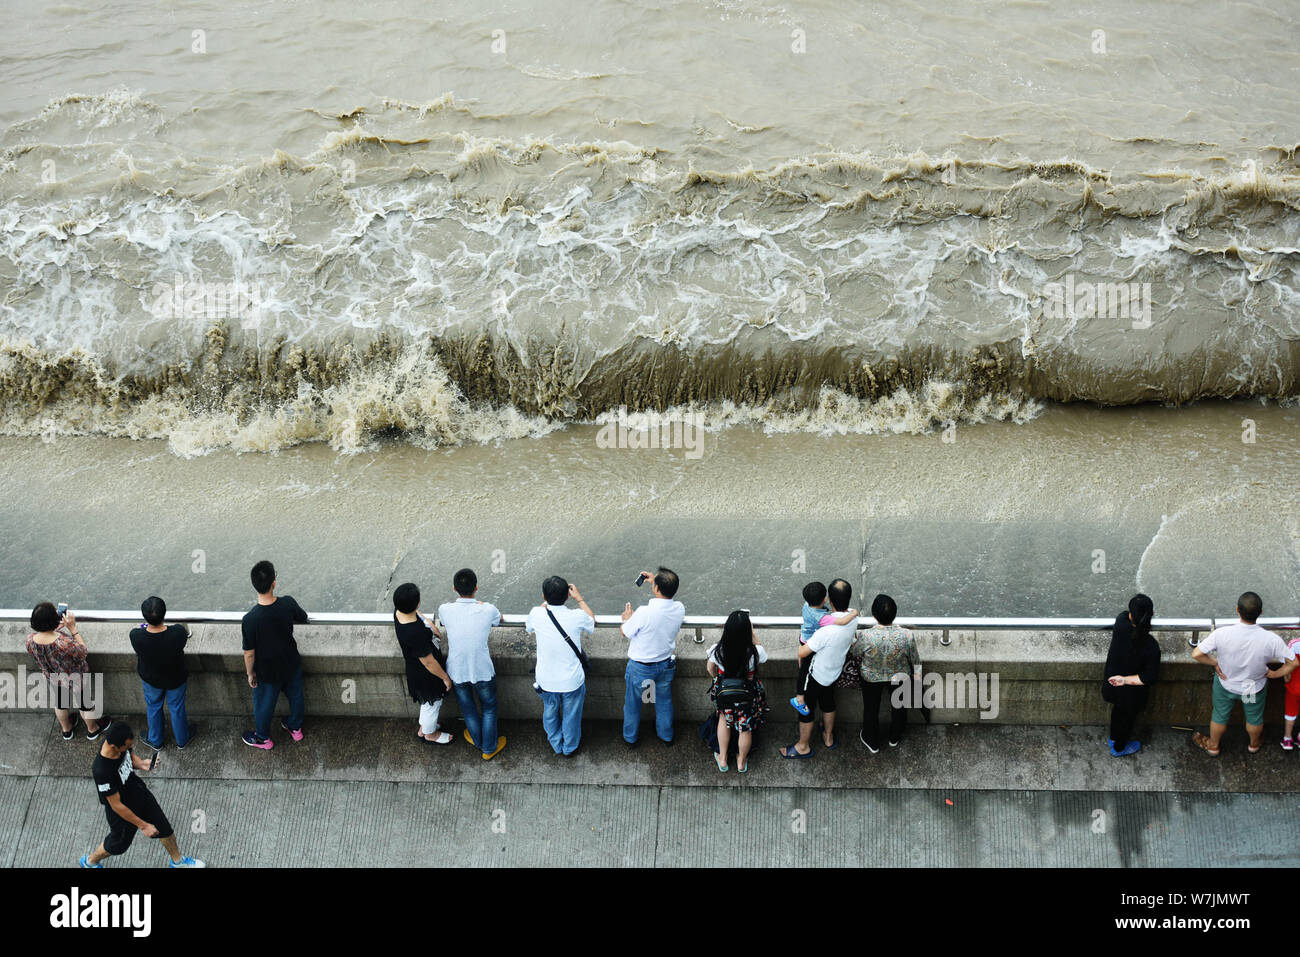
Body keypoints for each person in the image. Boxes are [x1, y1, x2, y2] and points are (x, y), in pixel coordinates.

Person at [79, 722, 204, 868]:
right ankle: (91, 862)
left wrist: (142, 764)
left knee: (164, 828)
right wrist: (143, 826)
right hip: (122, 812)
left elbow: (130, 756)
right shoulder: (102, 771)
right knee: (119, 845)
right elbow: (116, 805)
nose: (129, 747)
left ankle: (178, 862)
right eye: (126, 746)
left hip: (139, 793)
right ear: (114, 747)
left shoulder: (121, 742)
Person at [1191, 591, 1297, 756]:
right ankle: (1254, 745)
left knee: (1219, 715)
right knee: (1254, 718)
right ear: (1260, 613)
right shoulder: (1270, 639)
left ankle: (1213, 746)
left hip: (1226, 682)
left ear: (1237, 610)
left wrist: (1215, 662)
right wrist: (1275, 674)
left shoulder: (1222, 633)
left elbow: (1196, 654)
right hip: (1251, 686)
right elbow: (1293, 662)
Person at [781, 578, 859, 758]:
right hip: (834, 671)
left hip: (816, 674)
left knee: (806, 708)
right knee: (828, 702)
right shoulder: (853, 620)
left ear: (829, 600)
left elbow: (802, 652)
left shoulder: (824, 631)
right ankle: (828, 737)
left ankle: (803, 746)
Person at [240, 560, 309, 750]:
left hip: (267, 670)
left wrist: (250, 673)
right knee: (296, 696)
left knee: (264, 705)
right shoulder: (287, 603)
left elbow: (249, 653)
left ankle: (263, 738)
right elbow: (303, 617)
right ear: (274, 583)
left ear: (254, 585)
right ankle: (295, 728)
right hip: (290, 662)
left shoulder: (250, 620)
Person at [439, 568, 506, 760]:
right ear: (476, 588)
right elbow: (498, 619)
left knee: (468, 708)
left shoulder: (445, 609)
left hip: (457, 670)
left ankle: (477, 741)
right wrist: (481, 604)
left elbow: (444, 620)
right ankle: (489, 747)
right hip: (482, 670)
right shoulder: (488, 609)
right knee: (489, 707)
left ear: (454, 588)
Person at [525, 576, 596, 756]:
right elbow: (592, 621)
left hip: (546, 680)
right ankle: (569, 748)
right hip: (572, 680)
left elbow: (529, 627)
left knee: (550, 712)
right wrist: (579, 598)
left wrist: (546, 603)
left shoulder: (536, 613)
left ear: (543, 596)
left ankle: (556, 744)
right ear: (567, 596)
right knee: (571, 716)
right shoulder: (577, 616)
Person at [26, 602, 111, 741]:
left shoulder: (30, 640)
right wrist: (73, 629)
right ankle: (92, 729)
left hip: (53, 677)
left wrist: (55, 629)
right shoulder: (64, 642)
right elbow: (82, 652)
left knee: (60, 703)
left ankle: (67, 730)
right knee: (84, 705)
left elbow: (46, 644)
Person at [620, 567, 686, 746]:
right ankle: (666, 736)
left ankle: (630, 738)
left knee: (633, 704)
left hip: (641, 668)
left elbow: (624, 632)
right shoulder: (679, 608)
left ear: (656, 589)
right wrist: (656, 581)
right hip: (664, 665)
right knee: (663, 702)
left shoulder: (643, 612)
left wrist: (627, 619)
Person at [852, 594, 921, 753]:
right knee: (899, 707)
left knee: (870, 708)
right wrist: (917, 677)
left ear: (875, 615)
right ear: (895, 614)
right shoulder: (907, 635)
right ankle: (894, 736)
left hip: (871, 676)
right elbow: (915, 660)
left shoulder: (866, 636)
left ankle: (871, 740)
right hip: (899, 675)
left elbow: (855, 652)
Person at [706, 609, 770, 773]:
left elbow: (710, 669)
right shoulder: (755, 652)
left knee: (723, 720)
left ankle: (723, 758)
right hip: (747, 695)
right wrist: (753, 635)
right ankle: (741, 761)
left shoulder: (717, 649)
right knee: (745, 727)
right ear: (747, 631)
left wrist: (717, 680)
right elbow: (763, 656)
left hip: (725, 693)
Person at [129, 596, 194, 751]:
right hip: (175, 678)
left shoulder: (136, 636)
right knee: (177, 708)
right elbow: (181, 636)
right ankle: (182, 739)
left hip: (151, 679)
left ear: (144, 617)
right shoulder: (178, 632)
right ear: (164, 613)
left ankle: (156, 740)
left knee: (153, 707)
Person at [393, 582, 454, 745]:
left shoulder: (399, 613)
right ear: (417, 603)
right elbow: (428, 662)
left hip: (414, 670)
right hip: (426, 676)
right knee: (432, 703)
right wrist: (445, 677)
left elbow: (417, 615)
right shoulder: (415, 633)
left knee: (427, 704)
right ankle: (430, 733)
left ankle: (425, 726)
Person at [1102, 594, 1160, 757]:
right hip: (1132, 693)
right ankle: (1119, 748)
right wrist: (1125, 680)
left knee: (1117, 713)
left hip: (1112, 685)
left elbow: (1124, 614)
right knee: (1126, 721)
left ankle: (1113, 739)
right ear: (1151, 614)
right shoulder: (1151, 646)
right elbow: (1149, 677)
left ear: (1130, 615)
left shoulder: (1121, 624)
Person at [790, 582, 857, 716]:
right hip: (813, 647)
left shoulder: (806, 606)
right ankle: (799, 698)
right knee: (804, 671)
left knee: (802, 665)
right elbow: (842, 622)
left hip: (804, 637)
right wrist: (855, 612)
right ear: (825, 599)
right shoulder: (824, 620)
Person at [1282, 628, 1300, 751]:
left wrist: (1286, 678)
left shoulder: (1294, 644)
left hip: (1294, 687)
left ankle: (1287, 739)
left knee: (1290, 713)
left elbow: (1287, 665)